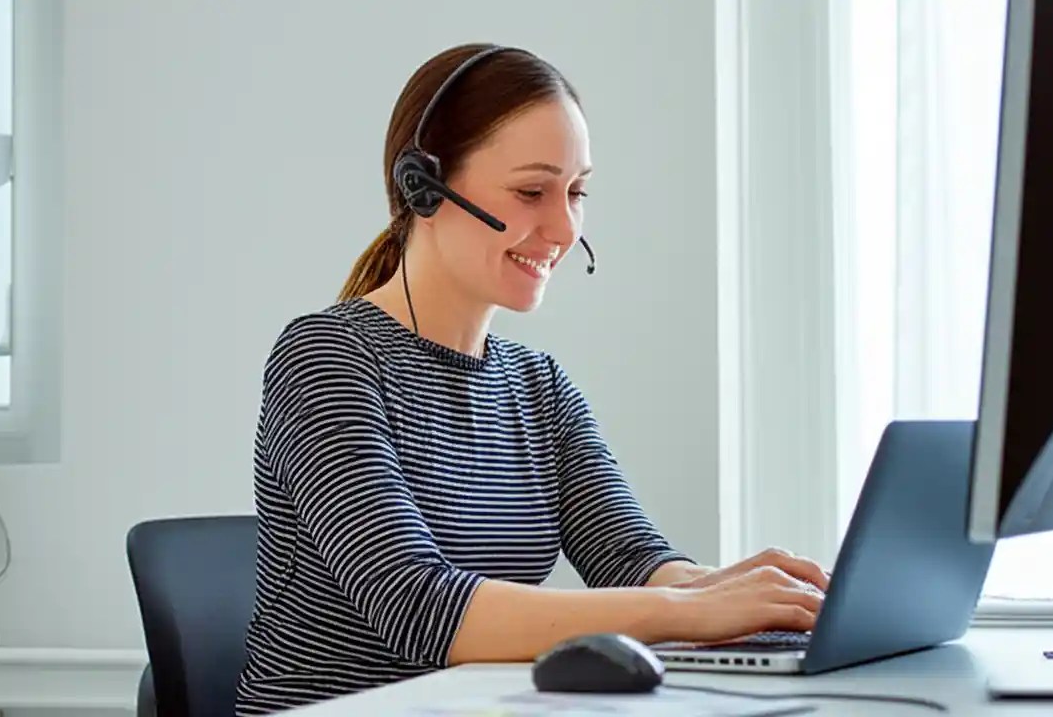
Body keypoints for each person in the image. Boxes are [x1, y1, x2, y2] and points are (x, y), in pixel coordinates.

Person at [235, 43, 829, 715]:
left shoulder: (539, 386)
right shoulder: (326, 358)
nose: (565, 226)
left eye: (577, 192)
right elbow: (420, 607)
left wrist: (743, 593)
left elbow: (631, 558)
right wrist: (689, 610)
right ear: (421, 186)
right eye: (531, 192)